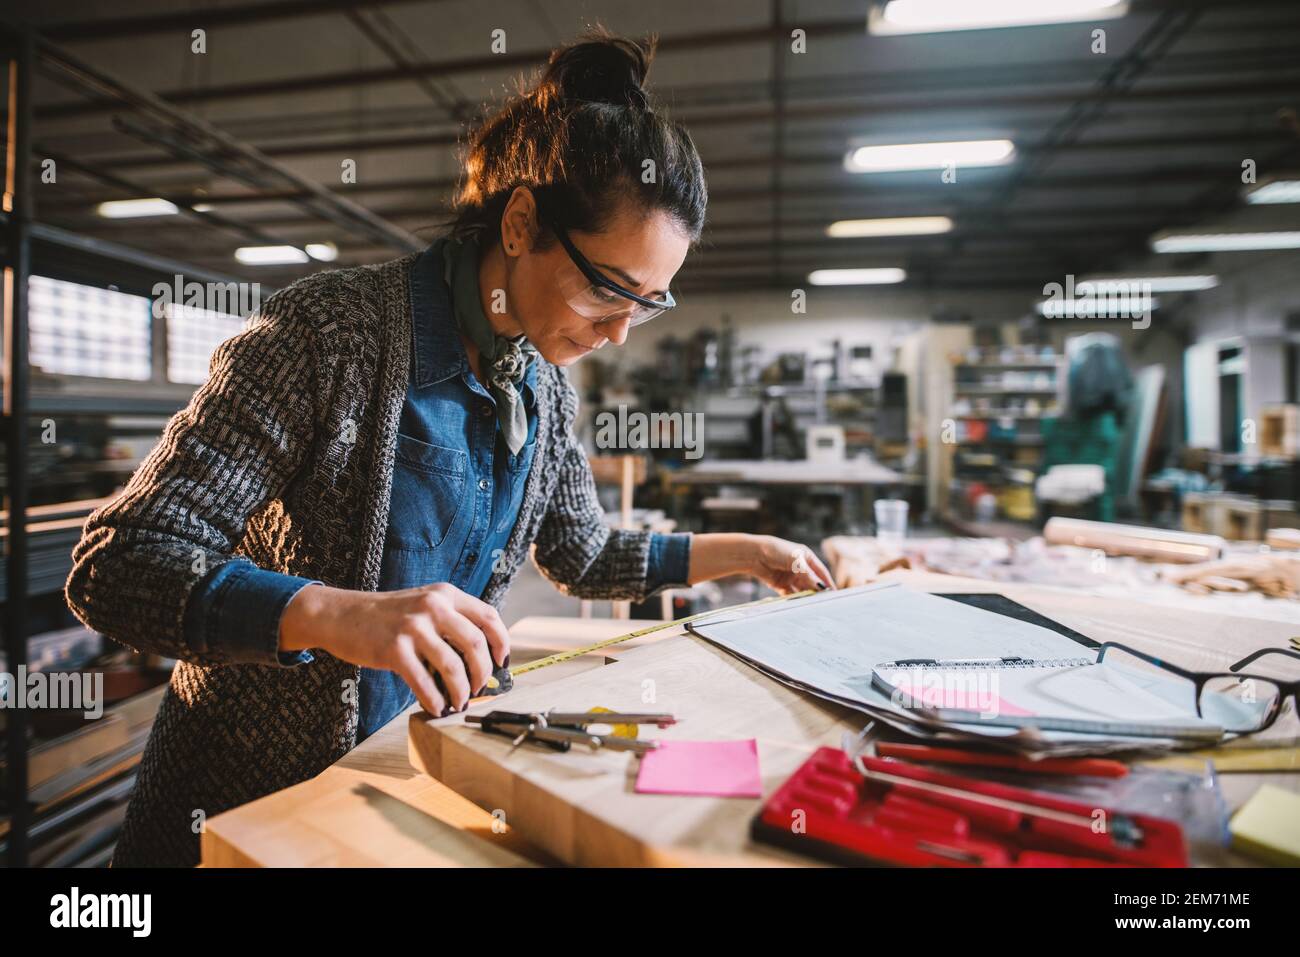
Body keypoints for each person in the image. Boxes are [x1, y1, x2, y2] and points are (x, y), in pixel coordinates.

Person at [66, 31, 833, 868]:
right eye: (609, 290)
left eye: (649, 305)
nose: (618, 333)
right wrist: (338, 615)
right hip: (235, 812)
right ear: (520, 222)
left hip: (391, 785)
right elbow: (117, 562)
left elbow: (583, 553)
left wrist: (746, 554)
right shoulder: (328, 337)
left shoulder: (540, 384)